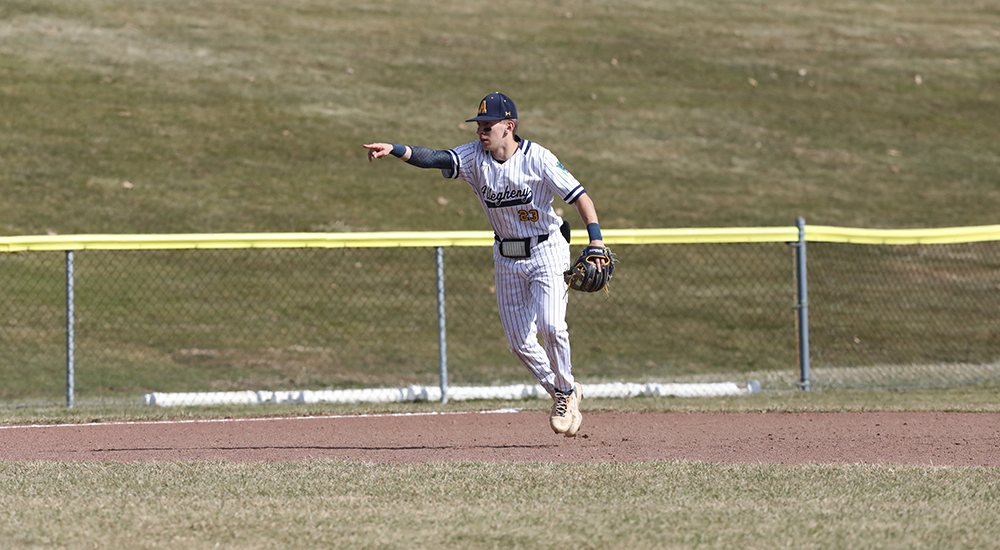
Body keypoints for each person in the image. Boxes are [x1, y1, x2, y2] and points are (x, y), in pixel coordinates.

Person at [364, 92, 606, 437]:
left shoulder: (538, 158)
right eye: (479, 125)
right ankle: (563, 392)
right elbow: (436, 158)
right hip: (506, 257)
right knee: (520, 343)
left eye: (488, 125)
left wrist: (595, 240)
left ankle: (565, 391)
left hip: (546, 250)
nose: (481, 131)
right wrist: (395, 148)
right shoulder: (475, 157)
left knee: (552, 326)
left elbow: (580, 196)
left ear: (509, 126)